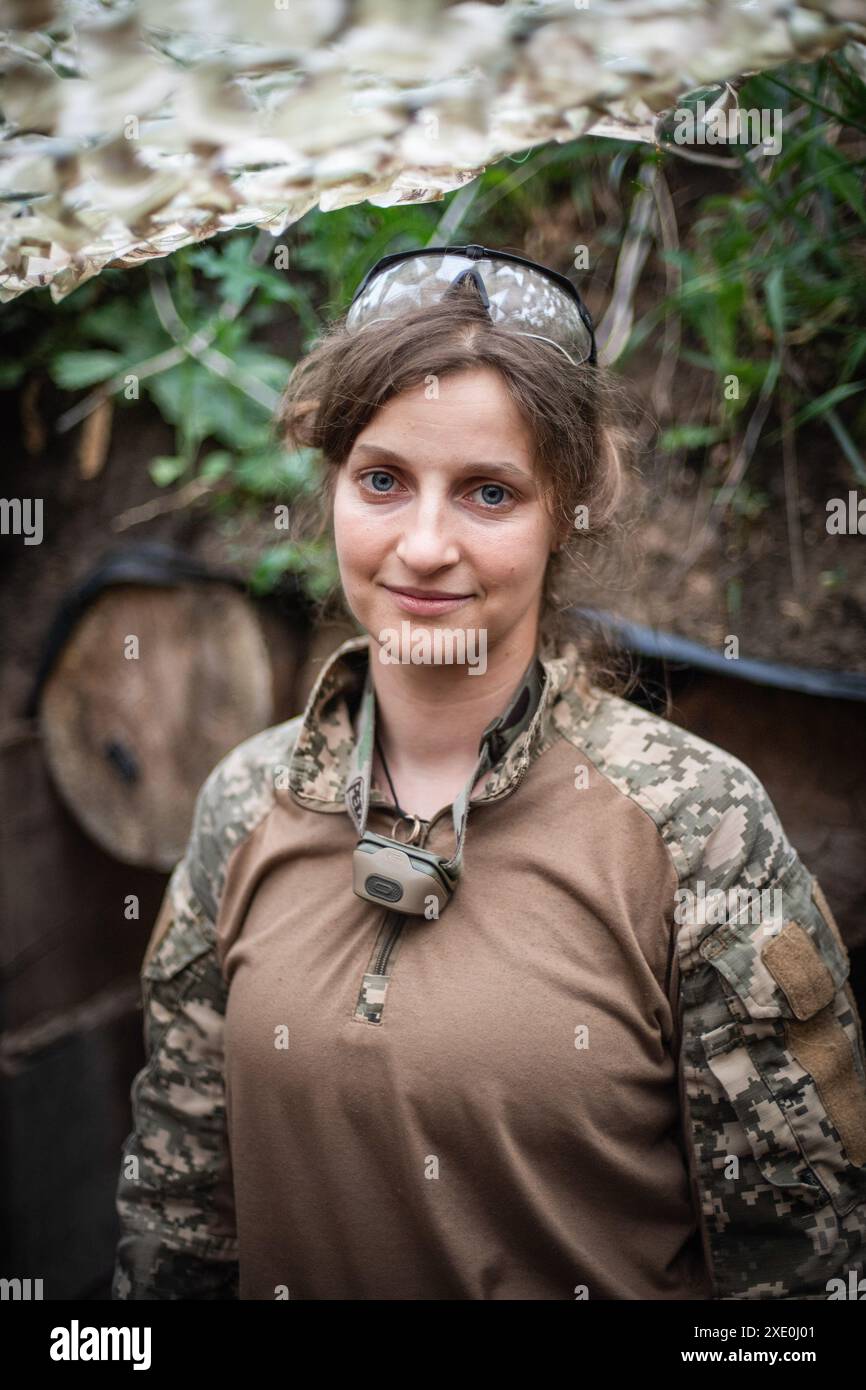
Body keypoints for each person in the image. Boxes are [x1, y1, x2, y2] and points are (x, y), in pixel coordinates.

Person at [112, 245, 866, 1301]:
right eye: (382, 480)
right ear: (330, 486)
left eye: (487, 492)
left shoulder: (695, 825)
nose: (422, 545)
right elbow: (179, 1218)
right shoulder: (245, 804)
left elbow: (797, 1278)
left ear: (567, 508)